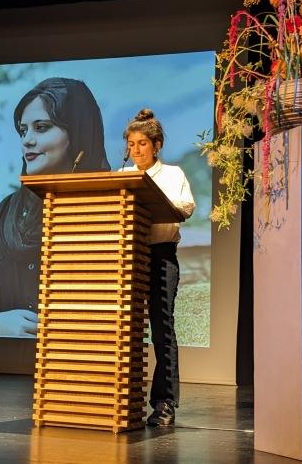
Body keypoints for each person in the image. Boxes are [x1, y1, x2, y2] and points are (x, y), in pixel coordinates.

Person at [0, 77, 111, 336]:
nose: (27, 140)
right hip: (0, 366)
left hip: (75, 367)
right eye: (23, 130)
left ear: (78, 132)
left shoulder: (107, 208)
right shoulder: (9, 211)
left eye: (41, 127)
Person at [120, 108, 195, 427]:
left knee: (162, 328)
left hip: (161, 255)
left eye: (142, 144)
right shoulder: (121, 175)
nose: (136, 150)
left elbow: (185, 208)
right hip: (127, 256)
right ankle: (119, 398)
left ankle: (164, 404)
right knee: (123, 328)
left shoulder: (173, 174)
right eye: (131, 144)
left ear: (157, 144)